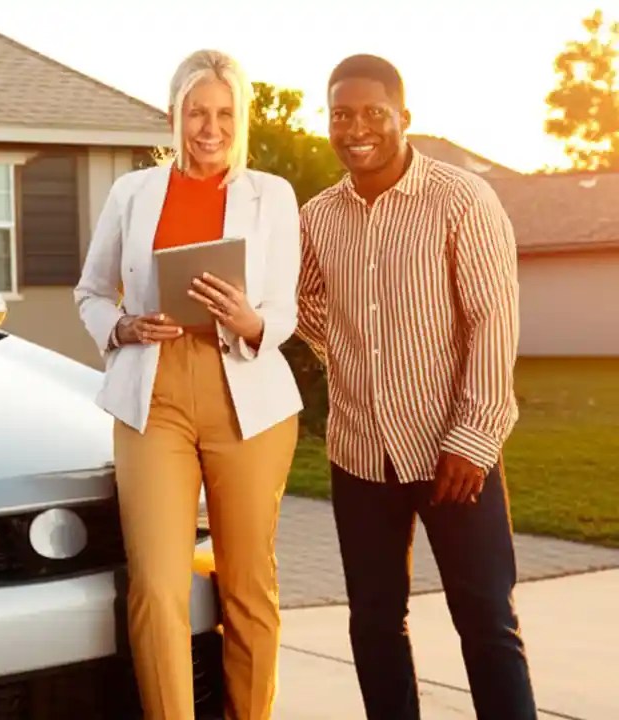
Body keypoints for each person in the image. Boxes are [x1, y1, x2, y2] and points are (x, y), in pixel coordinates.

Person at [296, 53, 537, 720]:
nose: (357, 128)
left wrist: (474, 438)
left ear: (405, 117)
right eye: (341, 115)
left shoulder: (463, 200)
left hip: (454, 456)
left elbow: (494, 319)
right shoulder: (318, 216)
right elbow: (304, 301)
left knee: (486, 620)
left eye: (374, 112)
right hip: (361, 455)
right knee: (374, 624)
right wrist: (345, 352)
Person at [75, 49, 304, 720]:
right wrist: (122, 327)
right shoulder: (132, 193)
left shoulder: (271, 196)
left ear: (242, 118)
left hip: (247, 398)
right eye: (197, 112)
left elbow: (284, 310)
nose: (211, 127)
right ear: (173, 114)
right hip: (154, 398)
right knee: (155, 585)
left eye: (226, 113)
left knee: (247, 585)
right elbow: (91, 292)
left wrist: (249, 320)